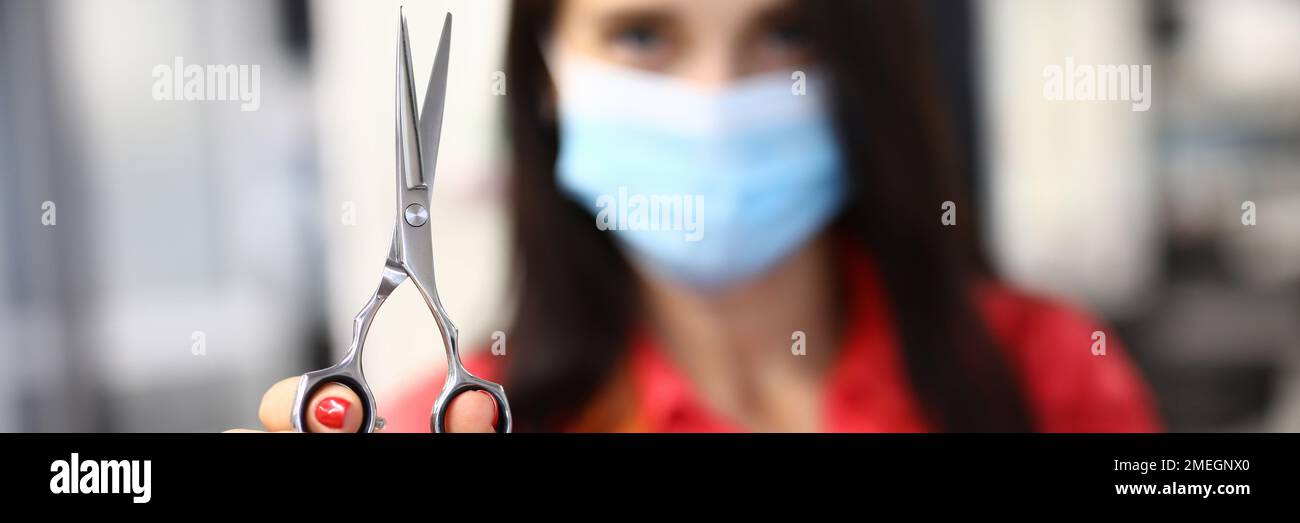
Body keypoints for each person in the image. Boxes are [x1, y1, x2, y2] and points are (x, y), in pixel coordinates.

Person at [241, 0, 1159, 433]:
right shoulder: (458, 424)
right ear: (548, 78)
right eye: (644, 35)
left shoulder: (1043, 372)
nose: (717, 97)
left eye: (788, 32)